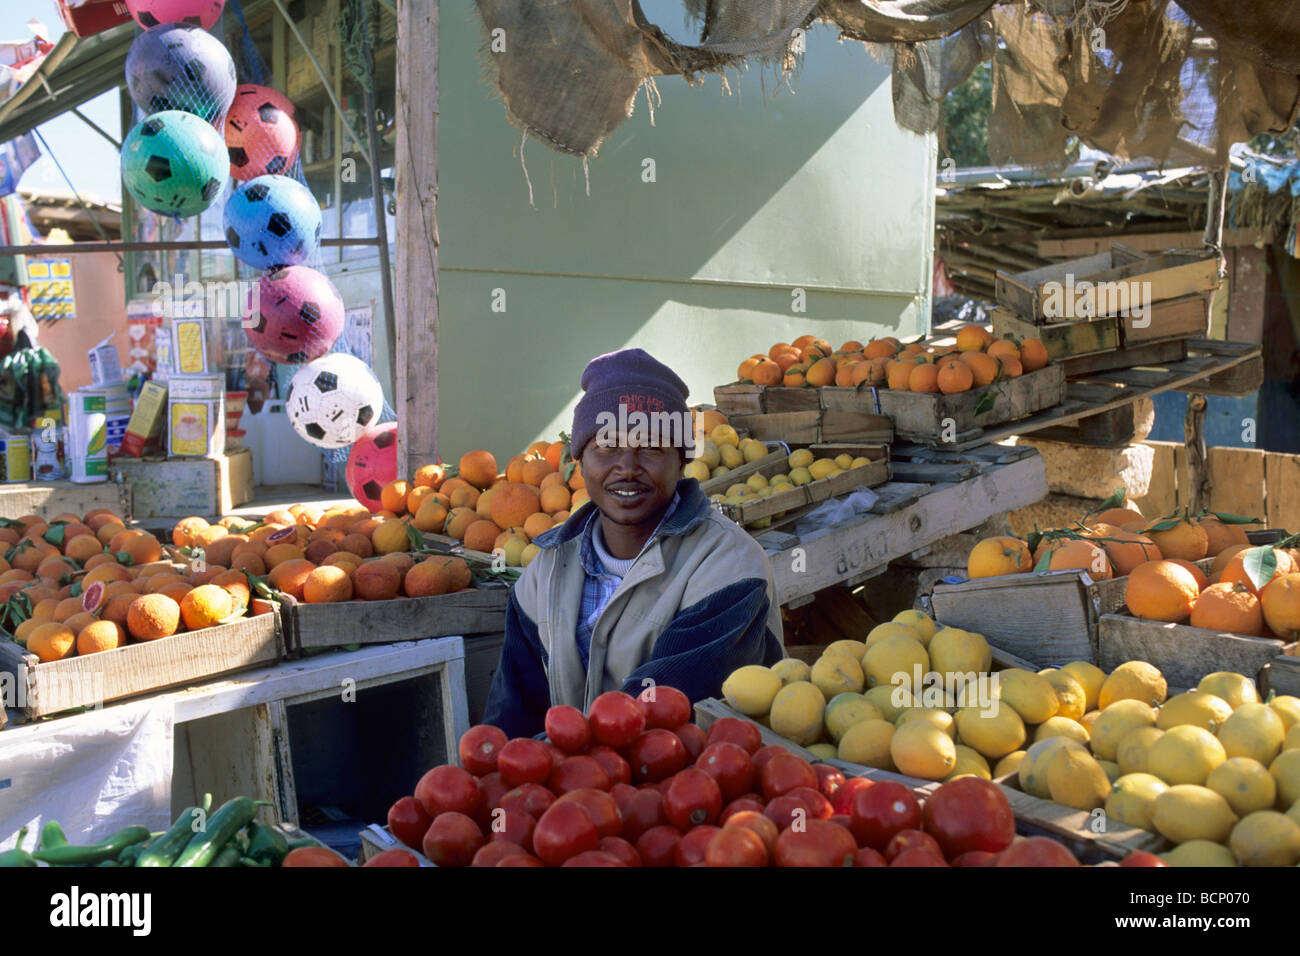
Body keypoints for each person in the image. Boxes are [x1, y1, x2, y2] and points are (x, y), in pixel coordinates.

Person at [483, 348, 784, 738]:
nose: (627, 465)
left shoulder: (730, 566)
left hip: (694, 787)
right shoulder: (543, 575)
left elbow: (663, 710)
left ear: (682, 461)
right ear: (579, 461)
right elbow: (512, 718)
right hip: (578, 790)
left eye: (652, 446)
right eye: (606, 446)